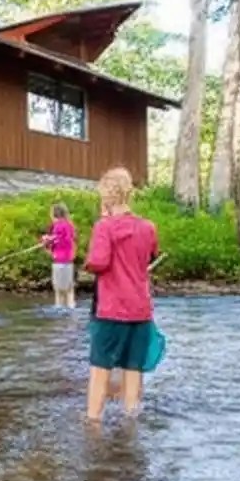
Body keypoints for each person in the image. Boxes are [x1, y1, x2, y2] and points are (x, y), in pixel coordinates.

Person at [84, 167, 159, 421]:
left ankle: (93, 420)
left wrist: (87, 263)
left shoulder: (104, 227)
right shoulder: (148, 227)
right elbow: (150, 256)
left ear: (105, 196)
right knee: (133, 366)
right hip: (140, 309)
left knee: (100, 368)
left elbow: (99, 262)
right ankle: (131, 419)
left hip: (111, 309)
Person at [43, 202, 78, 309]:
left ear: (53, 214)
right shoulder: (70, 226)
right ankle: (71, 307)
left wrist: (45, 241)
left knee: (58, 291)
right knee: (69, 290)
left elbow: (52, 242)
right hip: (69, 261)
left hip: (58, 262)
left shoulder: (56, 226)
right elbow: (71, 241)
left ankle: (59, 308)